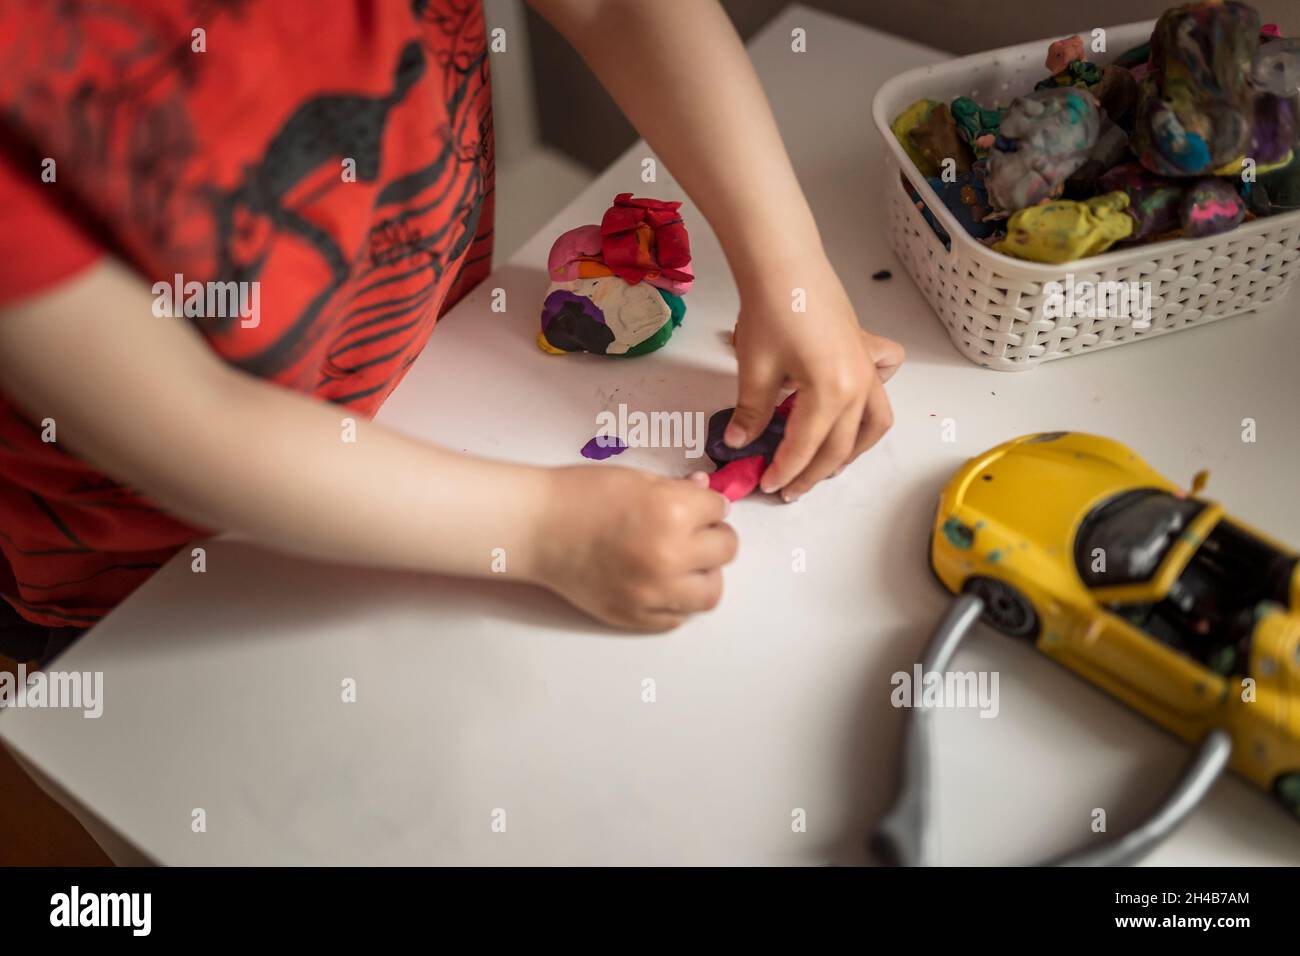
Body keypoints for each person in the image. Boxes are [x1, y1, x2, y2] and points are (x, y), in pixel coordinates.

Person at [0, 0, 903, 661]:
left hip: (429, 376)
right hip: (158, 583)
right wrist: (544, 528)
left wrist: (788, 266)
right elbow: (192, 420)